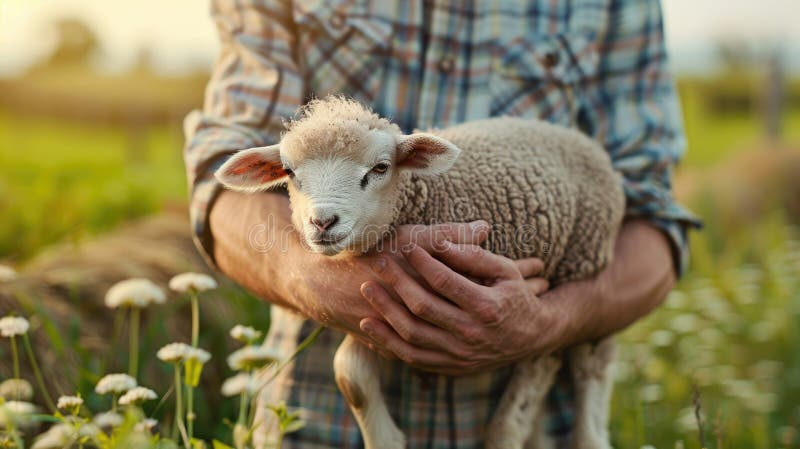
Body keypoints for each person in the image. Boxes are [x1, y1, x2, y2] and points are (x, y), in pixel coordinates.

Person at [183, 0, 701, 447]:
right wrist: (312, 277)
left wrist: (552, 322)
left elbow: (652, 213)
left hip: (545, 430)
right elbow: (217, 169)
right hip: (314, 423)